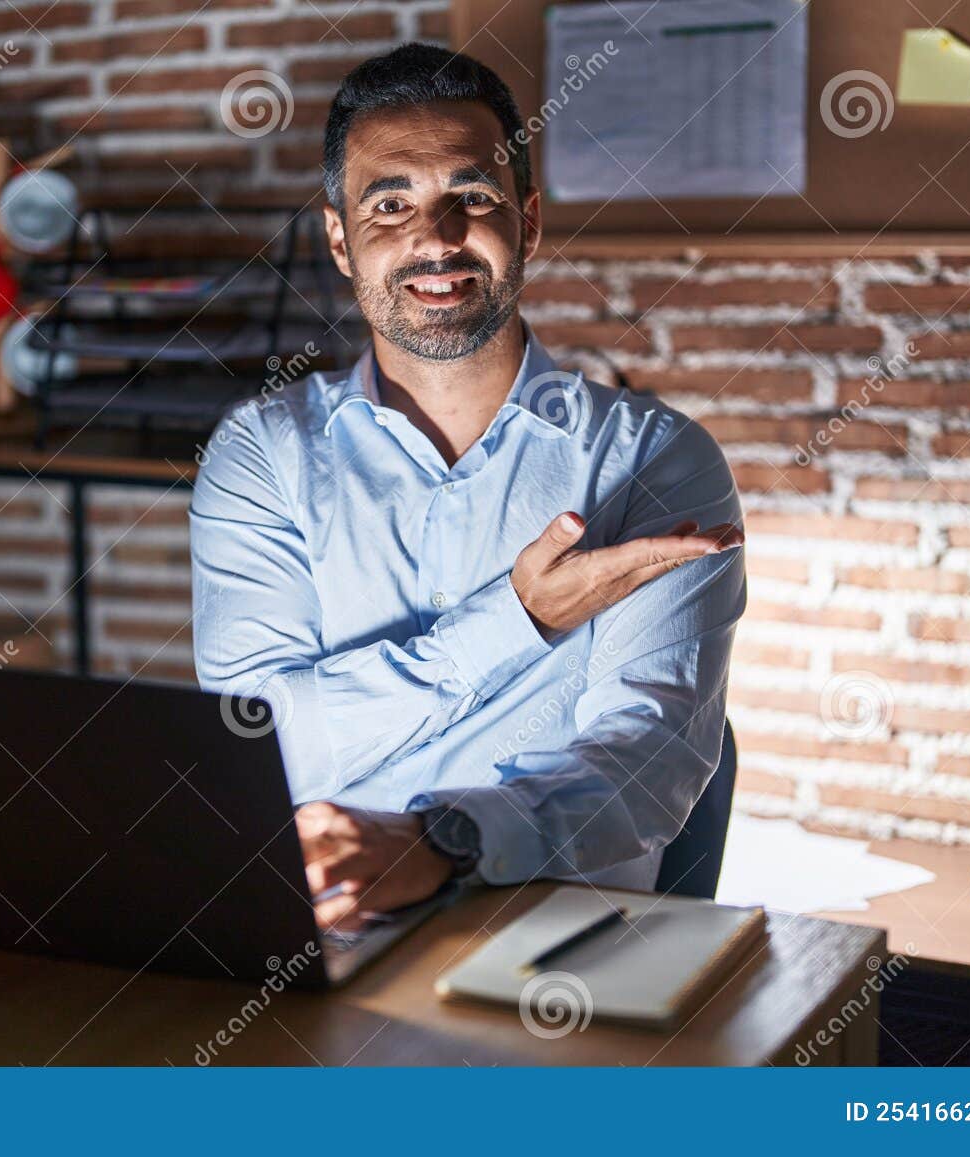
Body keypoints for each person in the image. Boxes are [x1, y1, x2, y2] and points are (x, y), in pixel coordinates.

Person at [190, 43, 745, 930]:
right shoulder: (263, 455)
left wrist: (442, 842)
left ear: (530, 221)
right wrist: (514, 620)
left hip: (555, 941)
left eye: (473, 197)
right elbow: (260, 745)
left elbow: (645, 766)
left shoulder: (656, 459)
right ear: (339, 240)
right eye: (390, 204)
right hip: (328, 927)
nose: (436, 237)